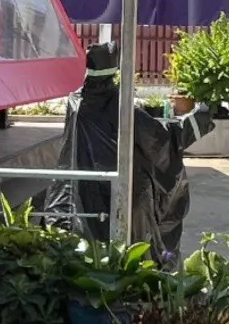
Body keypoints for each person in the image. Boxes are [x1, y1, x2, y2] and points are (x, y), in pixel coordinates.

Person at [63, 43, 219, 260]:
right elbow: (158, 139)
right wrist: (197, 120)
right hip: (125, 190)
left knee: (91, 243)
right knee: (129, 245)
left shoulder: (74, 102)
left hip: (83, 186)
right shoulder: (121, 106)